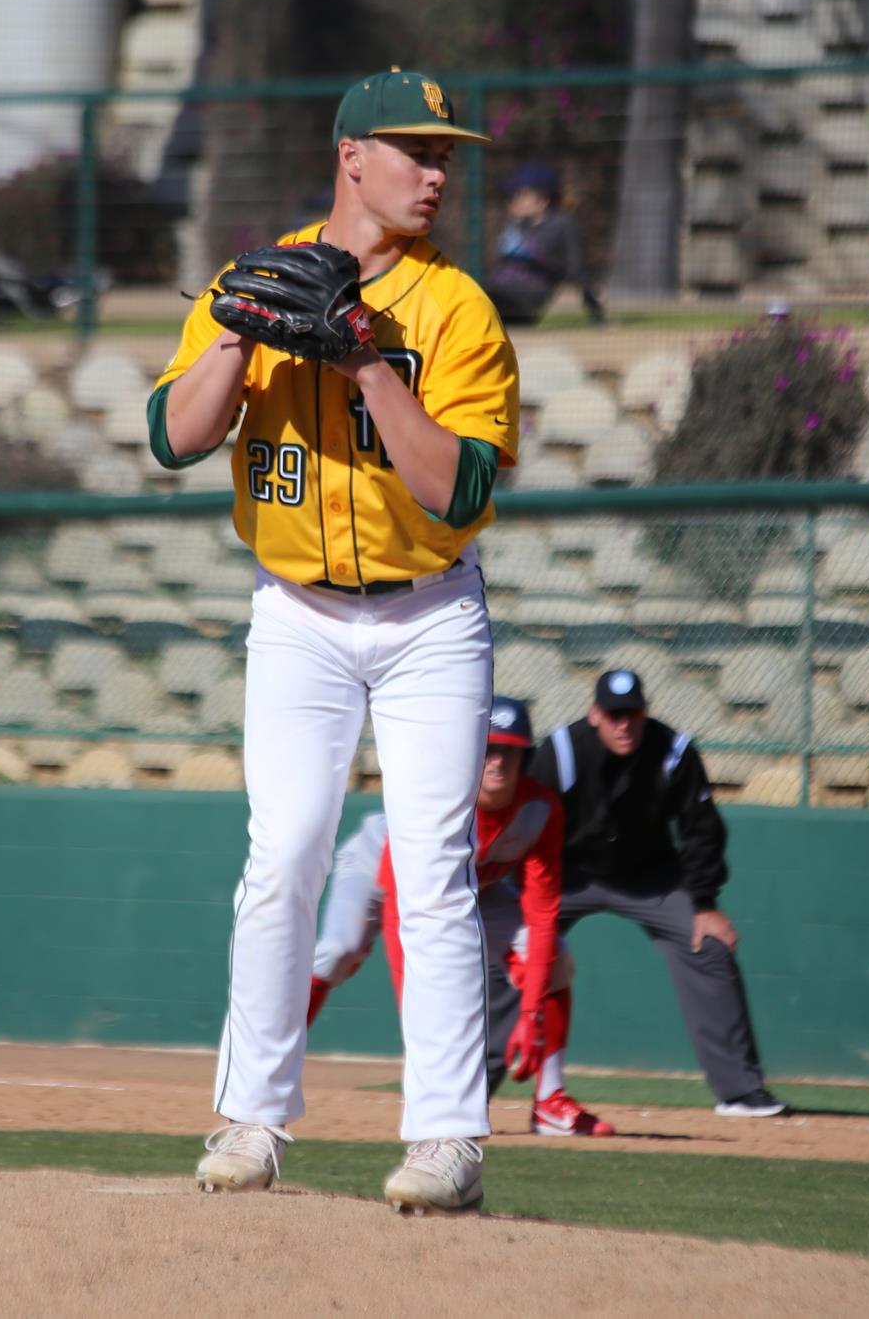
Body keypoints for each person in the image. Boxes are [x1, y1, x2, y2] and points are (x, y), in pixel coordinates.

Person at [148, 68, 518, 1214]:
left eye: (444, 152)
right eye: (412, 148)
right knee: (285, 853)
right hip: (298, 612)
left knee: (434, 869)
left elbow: (456, 489)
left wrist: (360, 354)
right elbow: (172, 436)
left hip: (426, 613)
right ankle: (250, 1121)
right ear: (350, 154)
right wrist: (233, 338)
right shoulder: (248, 279)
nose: (434, 171)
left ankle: (446, 1138)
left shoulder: (455, 310)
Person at [308, 697, 617, 1137]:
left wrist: (531, 1013)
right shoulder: (439, 802)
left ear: (525, 755)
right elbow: (401, 914)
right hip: (383, 869)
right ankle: (271, 1073)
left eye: (509, 750)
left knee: (555, 962)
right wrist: (414, 1020)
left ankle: (549, 1101)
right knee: (338, 952)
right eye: (488, 749)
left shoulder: (538, 809)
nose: (498, 762)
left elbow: (543, 909)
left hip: (476, 887)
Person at [503, 668, 784, 1117]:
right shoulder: (562, 751)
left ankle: (741, 1091)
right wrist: (512, 891)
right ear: (595, 715)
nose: (624, 724)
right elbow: (525, 814)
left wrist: (705, 903)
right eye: (613, 715)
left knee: (710, 944)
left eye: (632, 713)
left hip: (650, 879)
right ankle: (475, 1082)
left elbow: (701, 830)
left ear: (644, 712)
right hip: (566, 875)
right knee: (510, 947)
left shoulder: (671, 751)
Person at [481, 163, 605, 328]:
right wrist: (514, 224)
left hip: (522, 301)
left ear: (543, 200)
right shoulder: (515, 224)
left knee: (476, 306)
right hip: (496, 293)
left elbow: (576, 270)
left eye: (521, 195)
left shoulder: (562, 224)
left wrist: (597, 314)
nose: (513, 201)